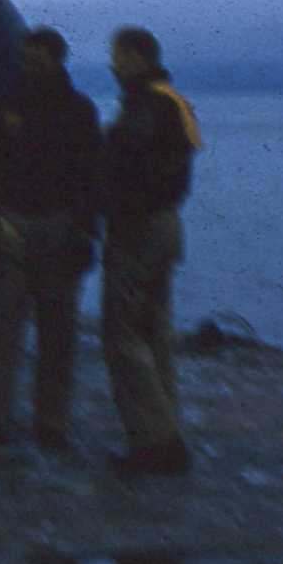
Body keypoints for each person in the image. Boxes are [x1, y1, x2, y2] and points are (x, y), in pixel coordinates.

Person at [0, 27, 101, 456]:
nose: (30, 65)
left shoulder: (78, 110)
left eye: (38, 57)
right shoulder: (3, 106)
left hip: (58, 225)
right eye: (27, 57)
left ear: (58, 58)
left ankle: (51, 422)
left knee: (57, 333)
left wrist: (84, 231)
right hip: (12, 222)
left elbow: (90, 175)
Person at [100, 26, 202, 476]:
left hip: (138, 227)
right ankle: (165, 431)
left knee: (124, 334)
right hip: (164, 225)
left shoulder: (146, 106)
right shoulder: (171, 101)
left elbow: (129, 164)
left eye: (119, 56)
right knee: (154, 332)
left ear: (138, 57)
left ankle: (154, 442)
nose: (113, 65)